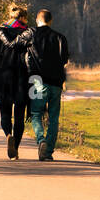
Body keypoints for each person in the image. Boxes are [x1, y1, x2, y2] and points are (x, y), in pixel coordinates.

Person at [0, 2, 33, 160]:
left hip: (4, 77)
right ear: (22, 17)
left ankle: (8, 136)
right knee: (19, 116)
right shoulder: (28, 33)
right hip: (22, 78)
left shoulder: (1, 31)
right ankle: (16, 148)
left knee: (5, 113)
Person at [25, 8, 69, 162]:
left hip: (37, 81)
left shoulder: (32, 35)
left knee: (36, 113)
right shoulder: (60, 38)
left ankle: (40, 140)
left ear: (38, 20)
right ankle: (48, 151)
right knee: (54, 117)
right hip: (56, 82)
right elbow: (64, 60)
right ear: (50, 20)